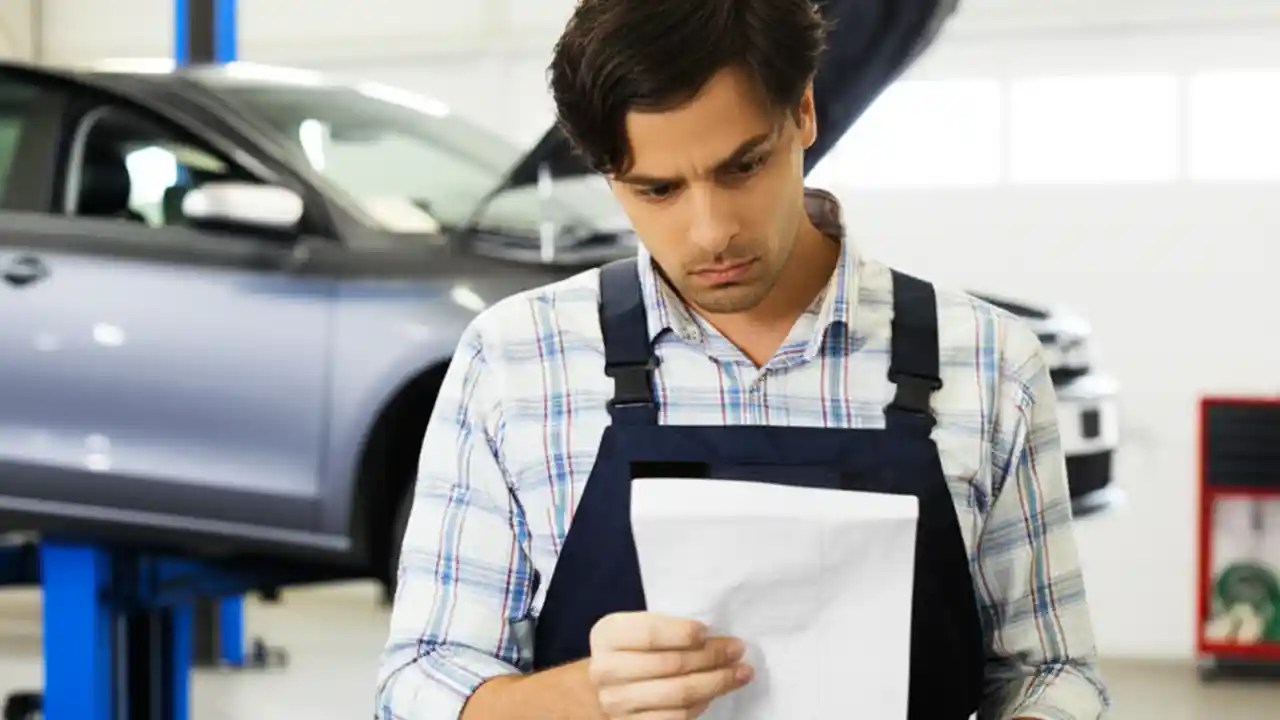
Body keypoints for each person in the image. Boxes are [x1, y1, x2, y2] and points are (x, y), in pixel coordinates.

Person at [376, 1, 1112, 718]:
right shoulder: (516, 362)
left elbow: (1052, 671)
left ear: (804, 114)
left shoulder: (988, 362)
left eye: (743, 166)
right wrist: (580, 701)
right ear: (606, 175)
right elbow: (421, 680)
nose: (711, 232)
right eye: (657, 189)